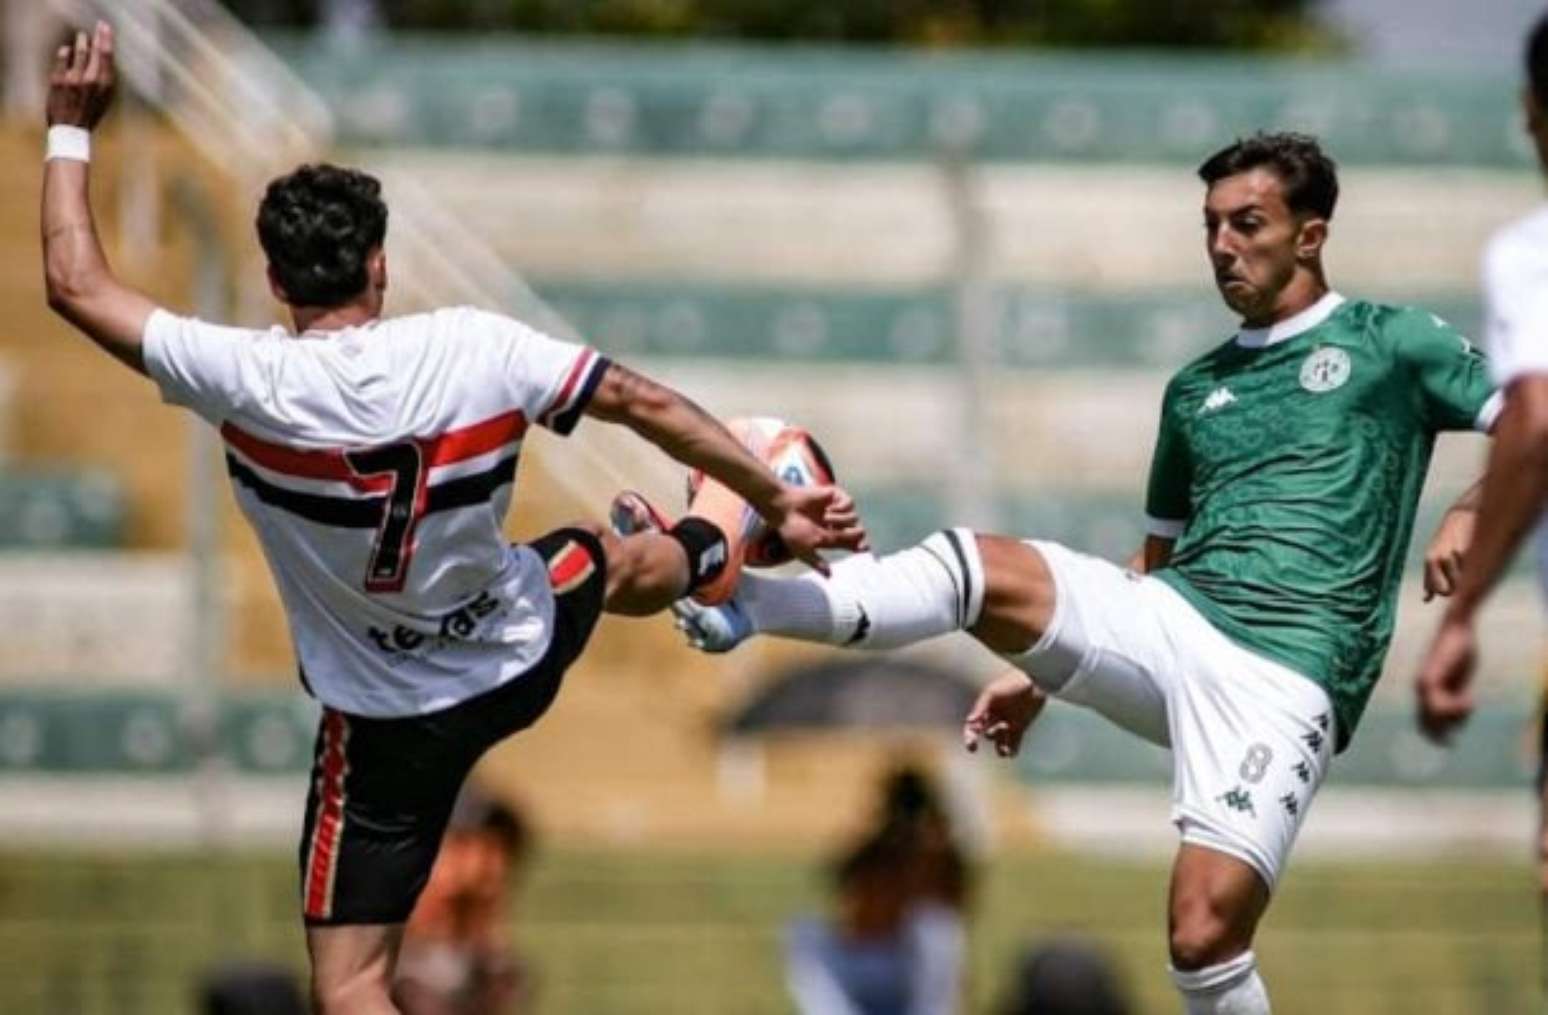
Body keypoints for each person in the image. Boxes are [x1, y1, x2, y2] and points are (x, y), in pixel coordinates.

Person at [40, 24, 863, 1014]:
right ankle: (717, 543)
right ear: (379, 267)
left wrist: (68, 130)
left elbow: (74, 284)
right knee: (594, 556)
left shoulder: (241, 377)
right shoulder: (475, 345)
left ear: (273, 279)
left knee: (349, 988)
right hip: (512, 652)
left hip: (380, 723)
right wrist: (775, 498)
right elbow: (641, 402)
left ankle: (713, 548)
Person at [654, 131, 1501, 1012]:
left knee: (1203, 935)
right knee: (969, 564)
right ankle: (746, 601)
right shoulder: (1197, 389)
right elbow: (1158, 559)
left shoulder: (1391, 341)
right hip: (1178, 613)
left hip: (1287, 672)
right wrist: (1047, 670)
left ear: (1310, 235)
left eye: (1246, 222)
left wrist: (1472, 507)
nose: (1221, 244)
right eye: (1209, 224)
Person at [1412, 7, 1548, 922]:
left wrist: (1460, 617)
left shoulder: (1531, 252)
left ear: (1534, 110)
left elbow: (1537, 421)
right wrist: (1476, 497)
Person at [785, 830, 965, 1015]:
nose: (881, 901)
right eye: (873, 890)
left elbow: (934, 1003)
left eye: (892, 891)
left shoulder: (931, 939)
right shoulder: (814, 944)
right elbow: (825, 1005)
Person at [394, 788, 534, 1014]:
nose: (487, 868)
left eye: (499, 852)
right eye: (464, 846)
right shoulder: (372, 967)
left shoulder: (494, 970)